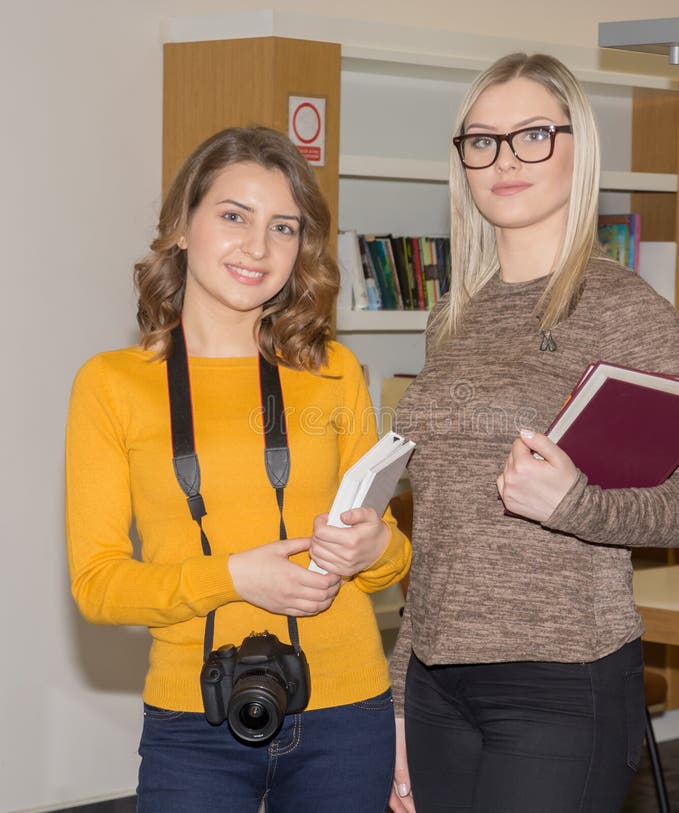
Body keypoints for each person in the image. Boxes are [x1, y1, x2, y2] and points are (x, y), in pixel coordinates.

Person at [388, 53, 679, 813]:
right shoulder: (452, 317)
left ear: (577, 149)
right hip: (436, 682)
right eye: (482, 140)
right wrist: (399, 694)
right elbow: (442, 529)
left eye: (532, 136)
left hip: (560, 682)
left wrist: (578, 504)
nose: (504, 159)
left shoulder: (622, 309)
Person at [65, 126, 411, 813]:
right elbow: (98, 585)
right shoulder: (111, 384)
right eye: (233, 216)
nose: (258, 247)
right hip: (194, 719)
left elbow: (390, 558)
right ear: (181, 226)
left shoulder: (334, 371)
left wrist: (374, 546)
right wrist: (234, 577)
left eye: (283, 227)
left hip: (346, 714)